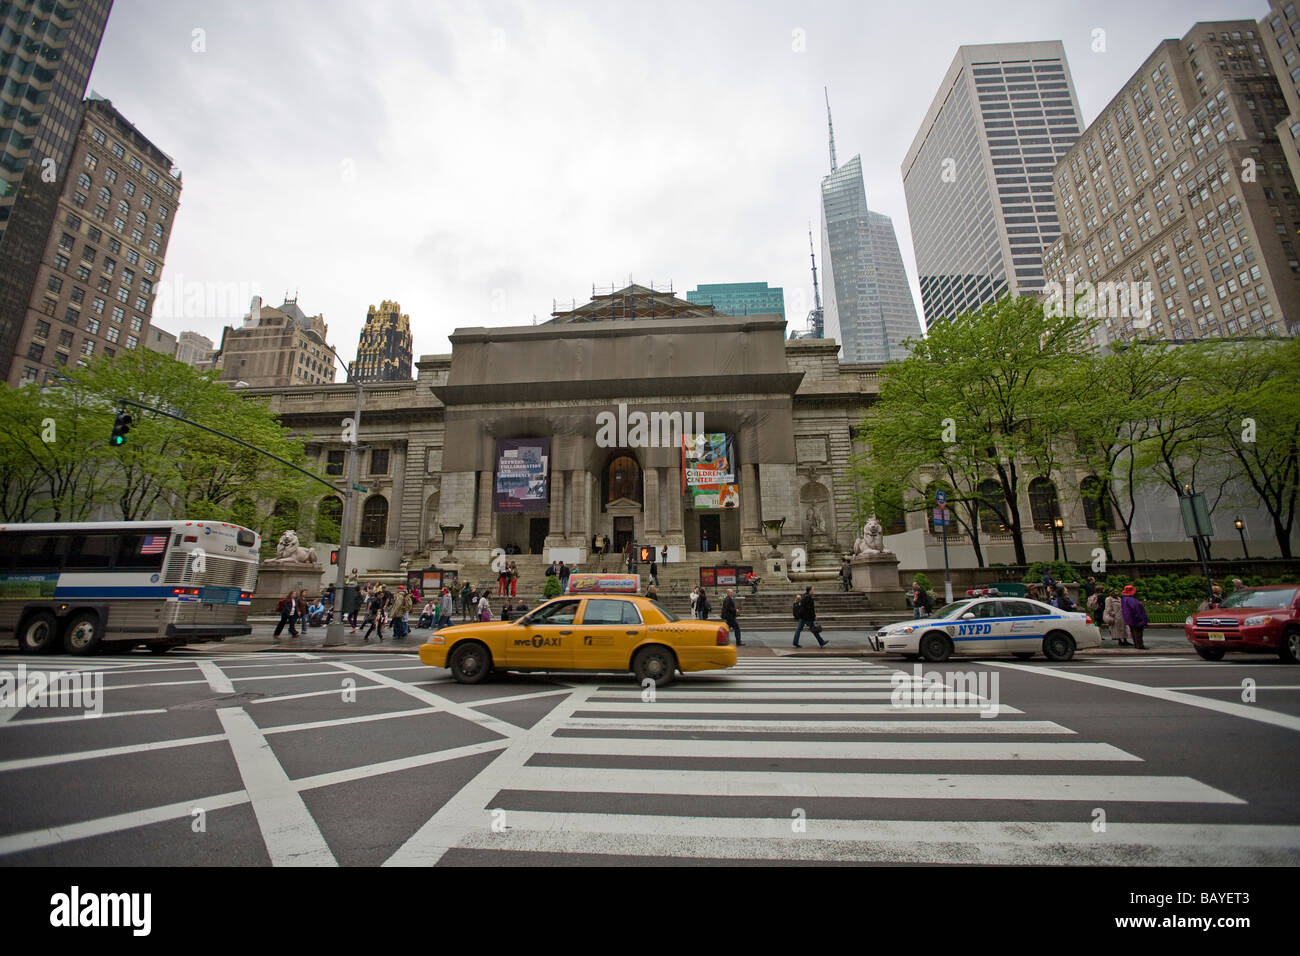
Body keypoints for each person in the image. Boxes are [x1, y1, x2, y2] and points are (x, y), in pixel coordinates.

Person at [1121, 584, 1148, 650]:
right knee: (1138, 632)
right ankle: (1140, 645)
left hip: (1129, 618)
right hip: (1136, 619)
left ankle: (1136, 644)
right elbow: (1137, 610)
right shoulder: (1132, 600)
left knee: (1133, 632)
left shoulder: (1124, 599)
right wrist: (1141, 619)